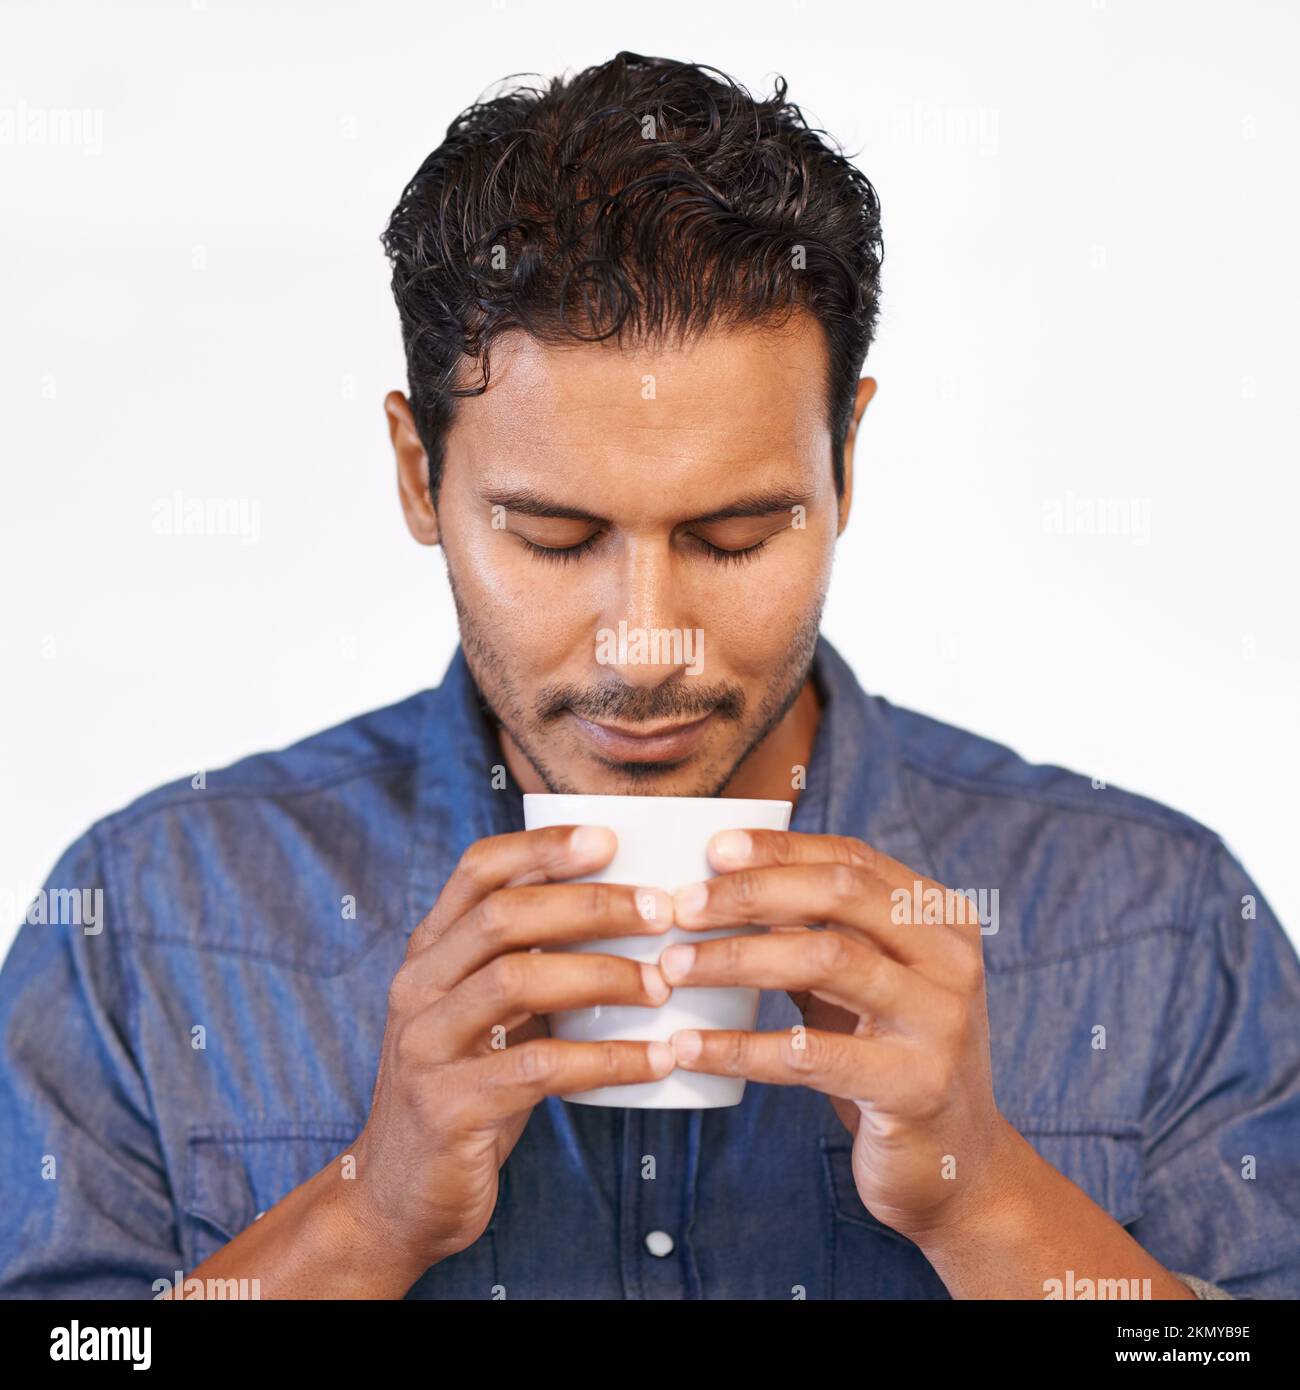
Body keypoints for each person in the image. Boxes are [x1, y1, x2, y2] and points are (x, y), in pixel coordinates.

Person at [1, 51, 1295, 1301]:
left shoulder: (1167, 927)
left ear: (846, 464)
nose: (644, 645)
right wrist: (367, 1213)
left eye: (731, 536)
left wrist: (991, 1199)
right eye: (554, 538)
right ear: (417, 474)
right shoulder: (147, 924)